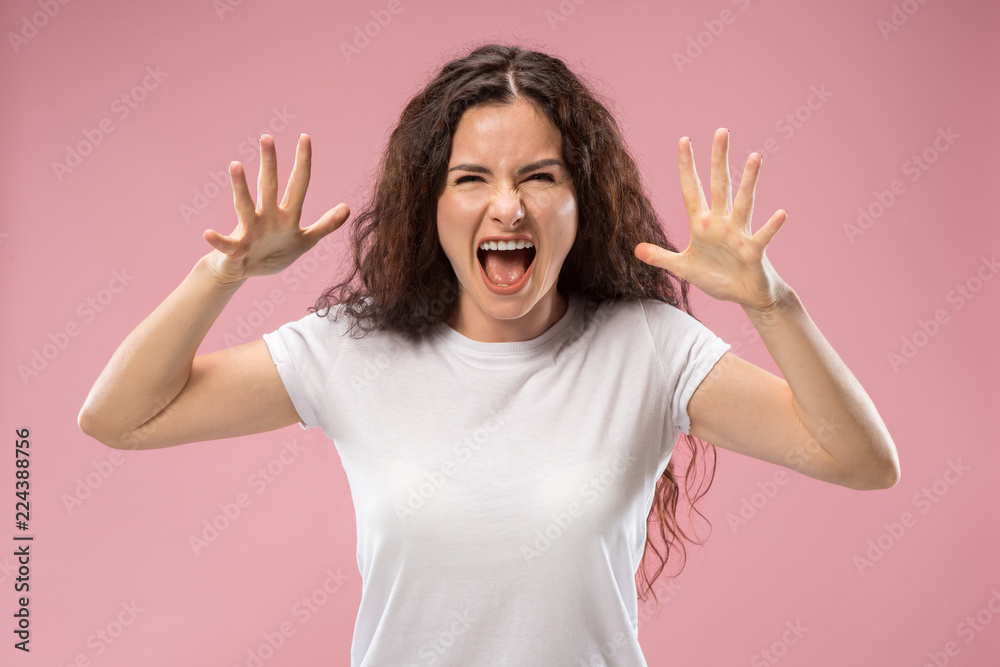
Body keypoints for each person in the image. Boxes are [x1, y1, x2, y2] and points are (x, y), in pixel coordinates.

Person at [79, 43, 899, 667]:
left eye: (539, 176)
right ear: (430, 204)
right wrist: (220, 273)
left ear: (585, 201)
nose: (507, 205)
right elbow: (119, 417)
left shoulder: (649, 349)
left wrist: (770, 303)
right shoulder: (354, 349)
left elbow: (862, 460)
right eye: (471, 178)